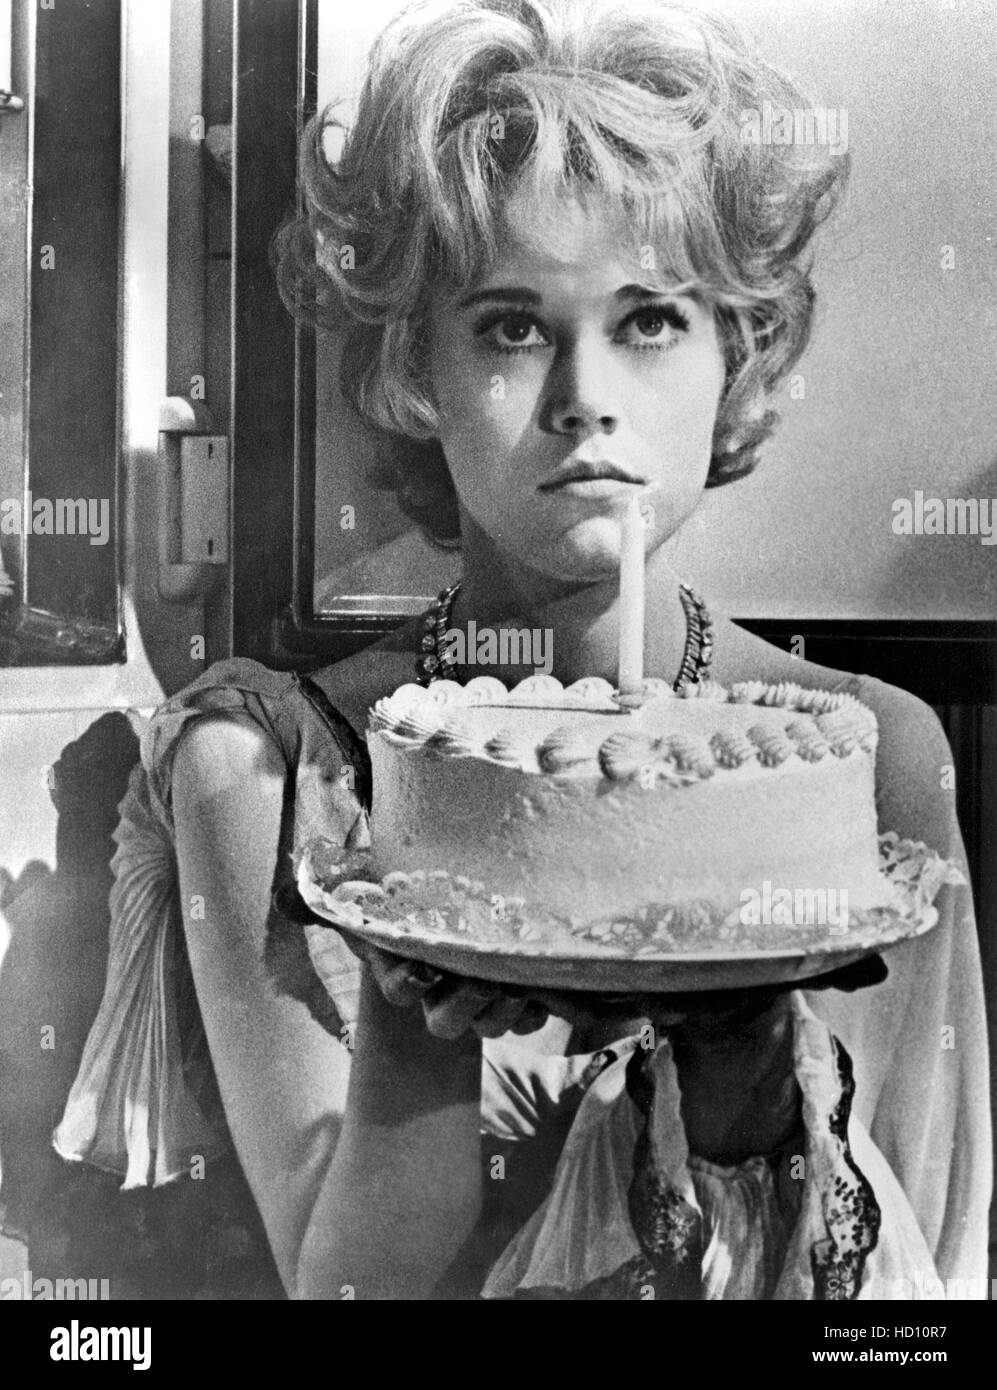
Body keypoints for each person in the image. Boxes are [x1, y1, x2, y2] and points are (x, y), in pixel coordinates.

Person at [24, 0, 989, 1299]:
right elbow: (352, 1294)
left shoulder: (861, 756)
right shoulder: (266, 768)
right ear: (413, 367)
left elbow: (921, 1277)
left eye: (649, 318)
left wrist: (745, 1057)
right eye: (510, 324)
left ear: (735, 352)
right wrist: (424, 1012)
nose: (584, 391)